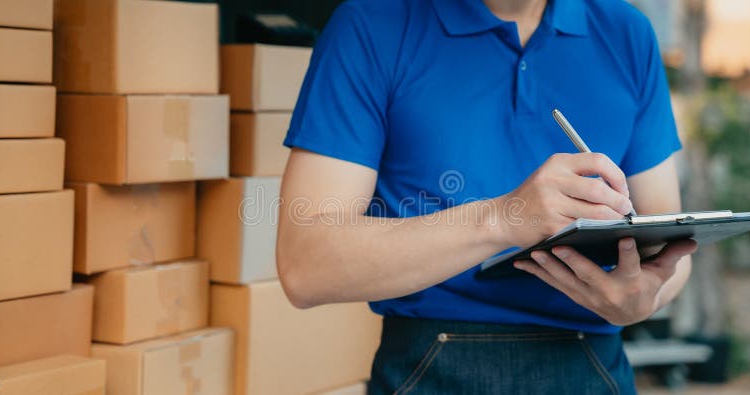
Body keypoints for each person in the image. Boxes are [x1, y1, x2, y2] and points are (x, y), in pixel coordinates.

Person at [276, 0, 697, 393]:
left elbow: (669, 239)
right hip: (428, 366)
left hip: (595, 364)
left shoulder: (628, 34)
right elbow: (306, 266)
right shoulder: (372, 23)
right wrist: (504, 219)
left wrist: (645, 298)